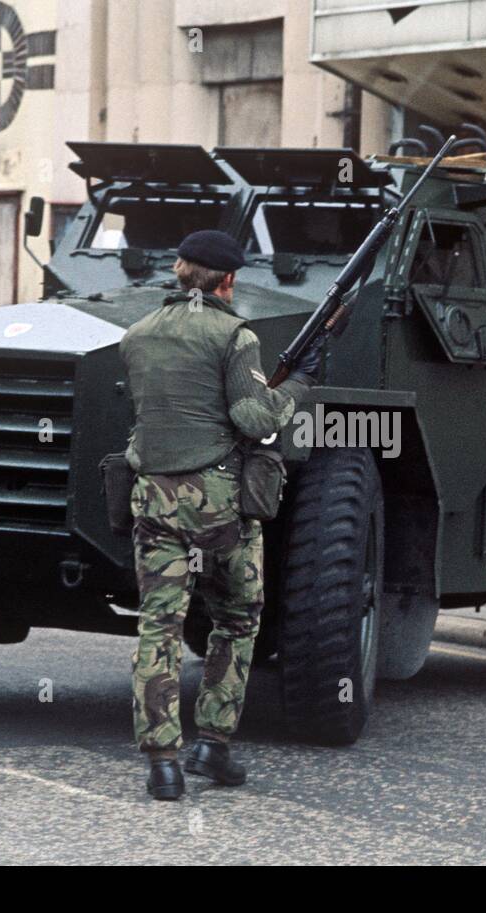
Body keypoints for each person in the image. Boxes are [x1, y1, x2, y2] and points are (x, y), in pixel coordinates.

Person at [119, 229, 321, 800]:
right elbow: (257, 420)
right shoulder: (234, 335)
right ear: (227, 281)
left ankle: (163, 763)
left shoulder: (135, 335)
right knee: (236, 618)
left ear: (181, 271)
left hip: (153, 500)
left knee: (158, 625)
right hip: (220, 508)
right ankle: (213, 743)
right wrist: (300, 383)